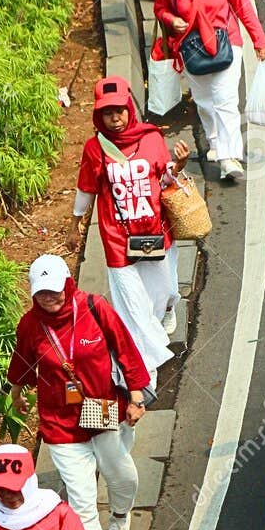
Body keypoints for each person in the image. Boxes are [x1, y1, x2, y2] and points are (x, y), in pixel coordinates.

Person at [8, 254, 150, 530]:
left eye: (55, 289)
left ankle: (121, 518)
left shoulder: (93, 307)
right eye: (42, 292)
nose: (50, 298)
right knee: (81, 498)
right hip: (60, 422)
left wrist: (137, 396)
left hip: (103, 410)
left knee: (121, 474)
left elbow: (125, 349)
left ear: (68, 284)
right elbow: (21, 361)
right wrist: (16, 394)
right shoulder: (31, 324)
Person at [72, 75, 190, 383]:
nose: (114, 118)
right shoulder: (94, 149)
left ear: (129, 108)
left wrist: (178, 165)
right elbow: (86, 189)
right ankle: (143, 368)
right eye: (107, 112)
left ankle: (167, 308)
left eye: (119, 110)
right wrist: (76, 222)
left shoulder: (151, 138)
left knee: (165, 291)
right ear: (99, 115)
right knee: (132, 306)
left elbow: (164, 180)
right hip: (117, 241)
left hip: (156, 232)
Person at [154, 0, 265, 180]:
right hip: (191, 47)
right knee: (205, 101)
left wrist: (258, 40)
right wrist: (173, 20)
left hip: (225, 41)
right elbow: (160, 8)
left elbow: (241, 4)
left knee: (225, 98)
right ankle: (216, 143)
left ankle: (229, 158)